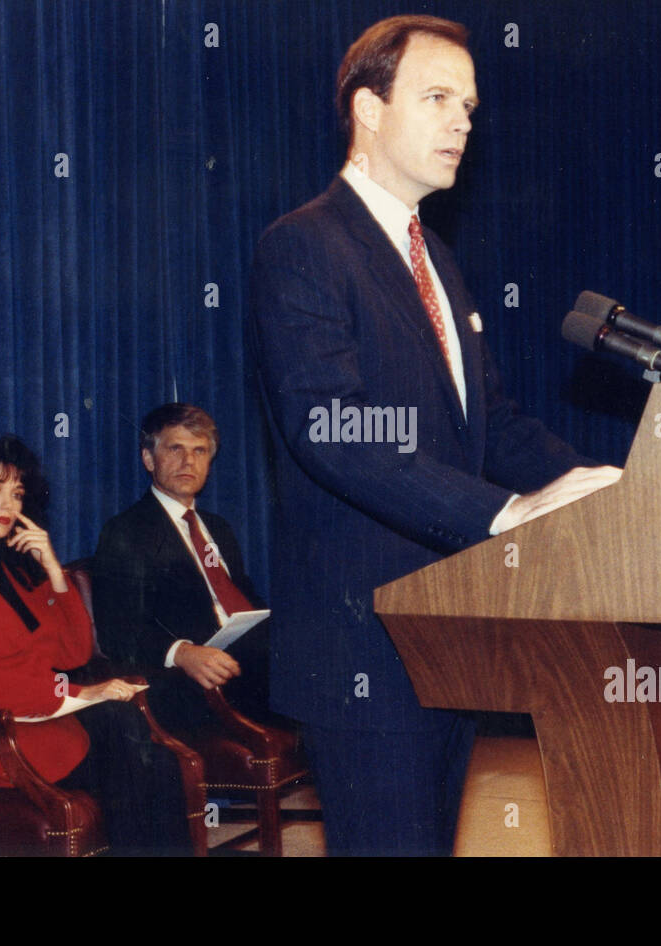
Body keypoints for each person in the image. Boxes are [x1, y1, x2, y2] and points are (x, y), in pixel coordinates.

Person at [248, 15, 623, 855]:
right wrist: (502, 515)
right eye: (438, 98)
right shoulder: (304, 247)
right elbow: (333, 429)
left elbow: (495, 426)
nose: (463, 121)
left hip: (451, 632)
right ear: (368, 109)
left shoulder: (439, 260)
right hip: (365, 643)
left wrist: (608, 487)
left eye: (470, 105)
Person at [0, 435, 192, 855]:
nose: (8, 505)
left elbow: (72, 652)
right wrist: (82, 694)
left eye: (17, 494)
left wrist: (53, 568)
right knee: (124, 731)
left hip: (50, 721)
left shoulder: (16, 570)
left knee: (158, 760)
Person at [92, 403, 272, 734]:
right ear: (149, 459)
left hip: (246, 661)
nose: (189, 462)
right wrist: (183, 653)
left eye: (199, 451)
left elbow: (246, 599)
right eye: (176, 448)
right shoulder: (125, 531)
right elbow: (118, 630)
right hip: (188, 678)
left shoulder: (219, 529)